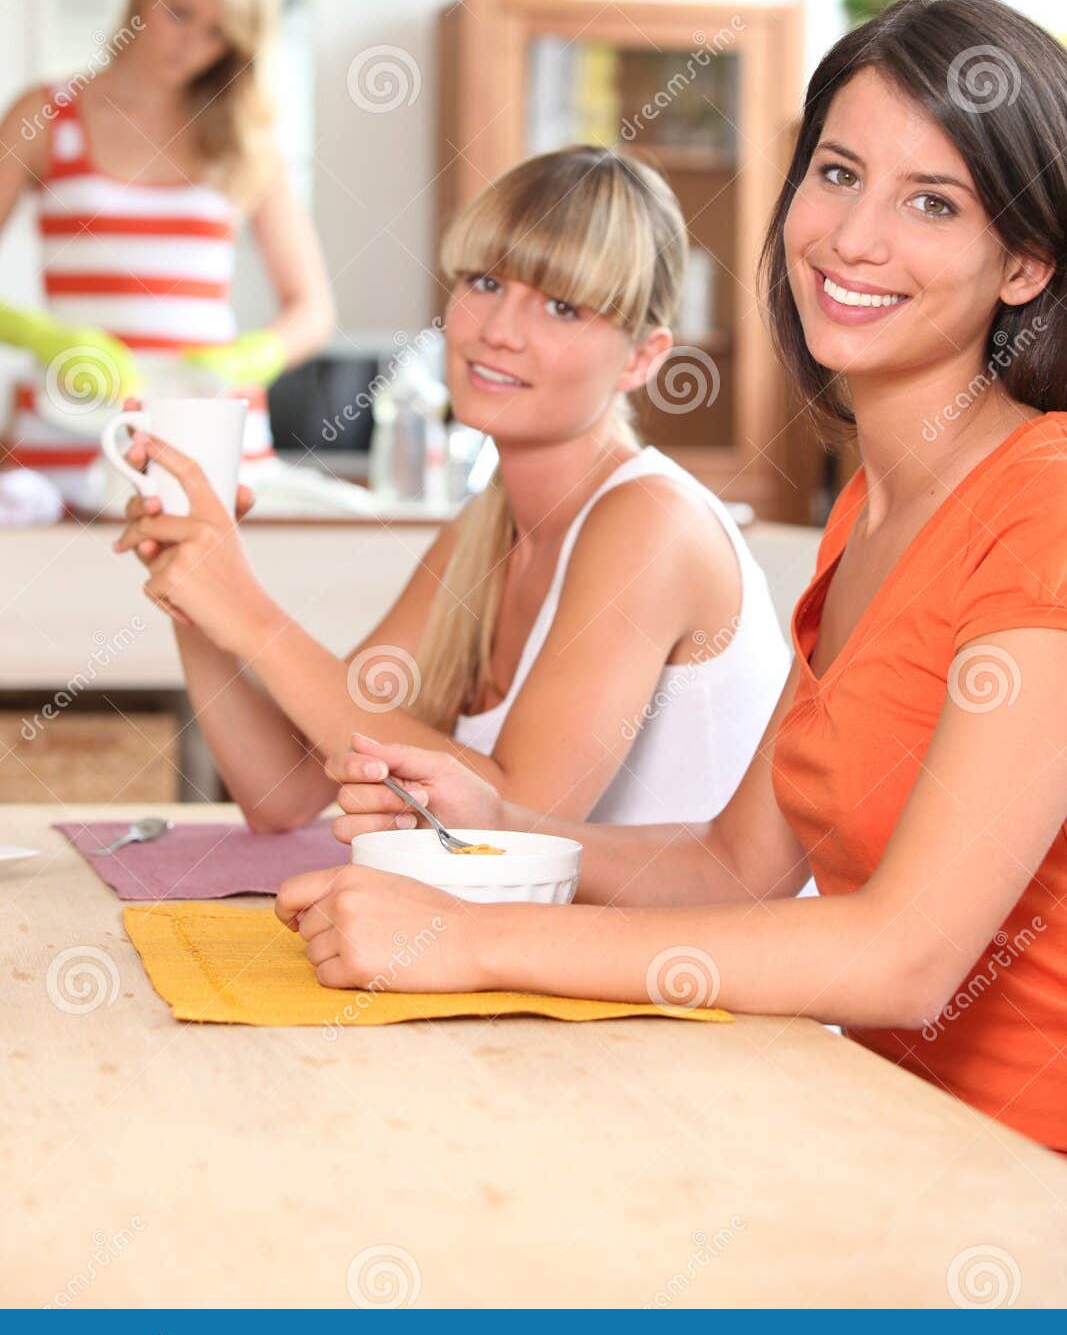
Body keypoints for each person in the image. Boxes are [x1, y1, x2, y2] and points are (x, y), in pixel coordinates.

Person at [278, 0, 1067, 1155]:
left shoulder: (1041, 501)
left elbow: (904, 956)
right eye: (837, 173)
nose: (853, 238)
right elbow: (735, 864)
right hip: (882, 1134)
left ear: (1023, 264)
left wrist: (470, 936)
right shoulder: (869, 508)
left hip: (1012, 1192)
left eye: (932, 202)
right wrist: (501, 828)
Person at [113, 146, 790, 829]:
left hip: (685, 940)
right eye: (486, 284)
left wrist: (250, 612)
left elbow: (520, 818)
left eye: (560, 306)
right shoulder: (484, 533)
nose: (497, 332)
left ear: (642, 358)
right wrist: (194, 585)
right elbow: (283, 791)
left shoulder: (650, 522)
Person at [0, 0, 335, 508]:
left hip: (206, 440)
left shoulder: (245, 140)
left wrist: (253, 355)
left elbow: (313, 309)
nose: (192, 45)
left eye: (218, 34)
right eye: (179, 13)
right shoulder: (47, 115)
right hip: (66, 443)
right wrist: (41, 336)